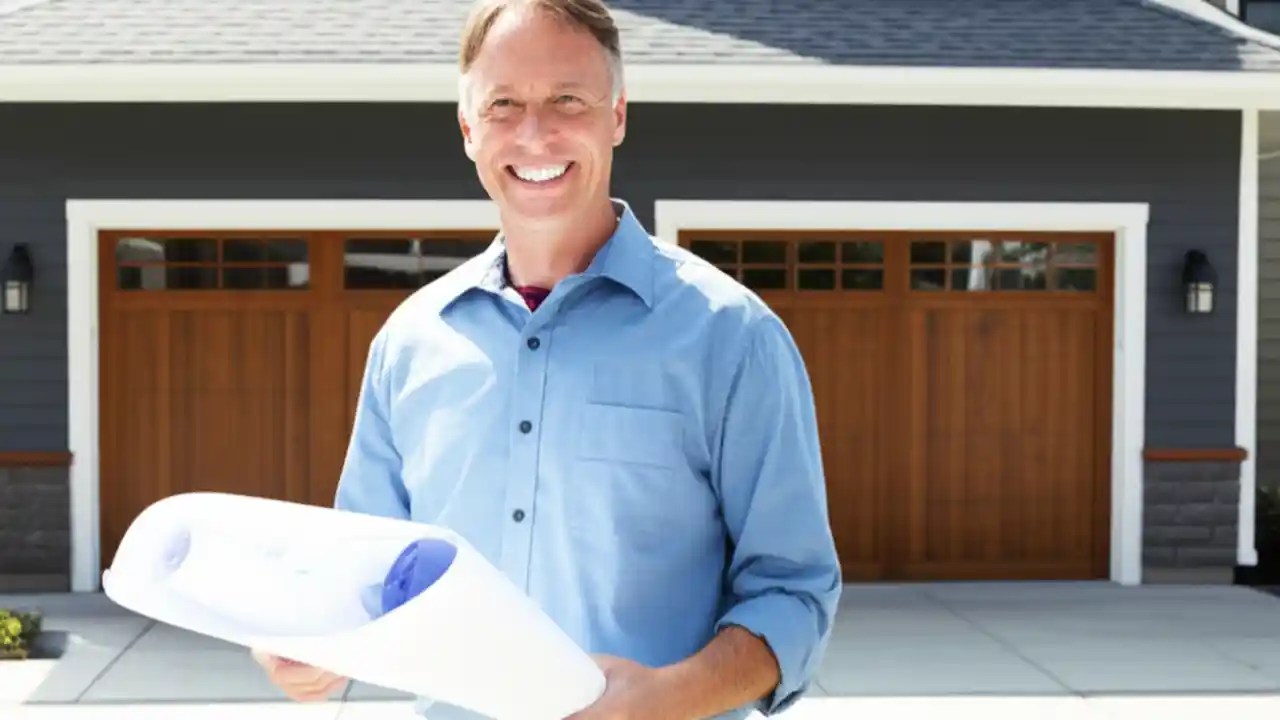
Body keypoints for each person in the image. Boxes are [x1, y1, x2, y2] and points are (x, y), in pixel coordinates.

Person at [252, 0, 842, 717]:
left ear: (617, 116)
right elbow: (363, 579)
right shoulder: (410, 344)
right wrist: (315, 647)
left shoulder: (731, 336)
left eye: (569, 99)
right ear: (469, 129)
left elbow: (794, 591)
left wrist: (665, 698)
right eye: (504, 104)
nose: (535, 133)